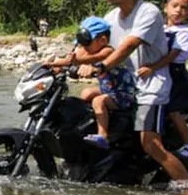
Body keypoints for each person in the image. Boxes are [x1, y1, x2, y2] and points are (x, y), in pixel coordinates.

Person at [81, 0, 188, 190]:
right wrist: (65, 61)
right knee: (86, 99)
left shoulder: (149, 12)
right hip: (125, 86)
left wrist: (101, 66)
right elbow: (95, 44)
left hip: (151, 87)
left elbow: (129, 45)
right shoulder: (111, 16)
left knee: (150, 143)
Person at [50, 16, 137, 149]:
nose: (83, 47)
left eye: (86, 43)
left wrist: (86, 65)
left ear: (102, 40)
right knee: (86, 93)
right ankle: (91, 123)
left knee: (98, 101)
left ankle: (103, 136)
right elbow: (73, 59)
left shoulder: (108, 50)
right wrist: (52, 64)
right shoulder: (89, 48)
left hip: (123, 94)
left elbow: (96, 58)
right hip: (108, 90)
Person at [144, 0, 188, 158]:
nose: (178, 10)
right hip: (159, 73)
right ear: (165, 7)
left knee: (173, 111)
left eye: (184, 8)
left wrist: (152, 67)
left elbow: (171, 57)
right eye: (175, 5)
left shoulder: (185, 33)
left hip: (174, 76)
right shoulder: (160, 28)